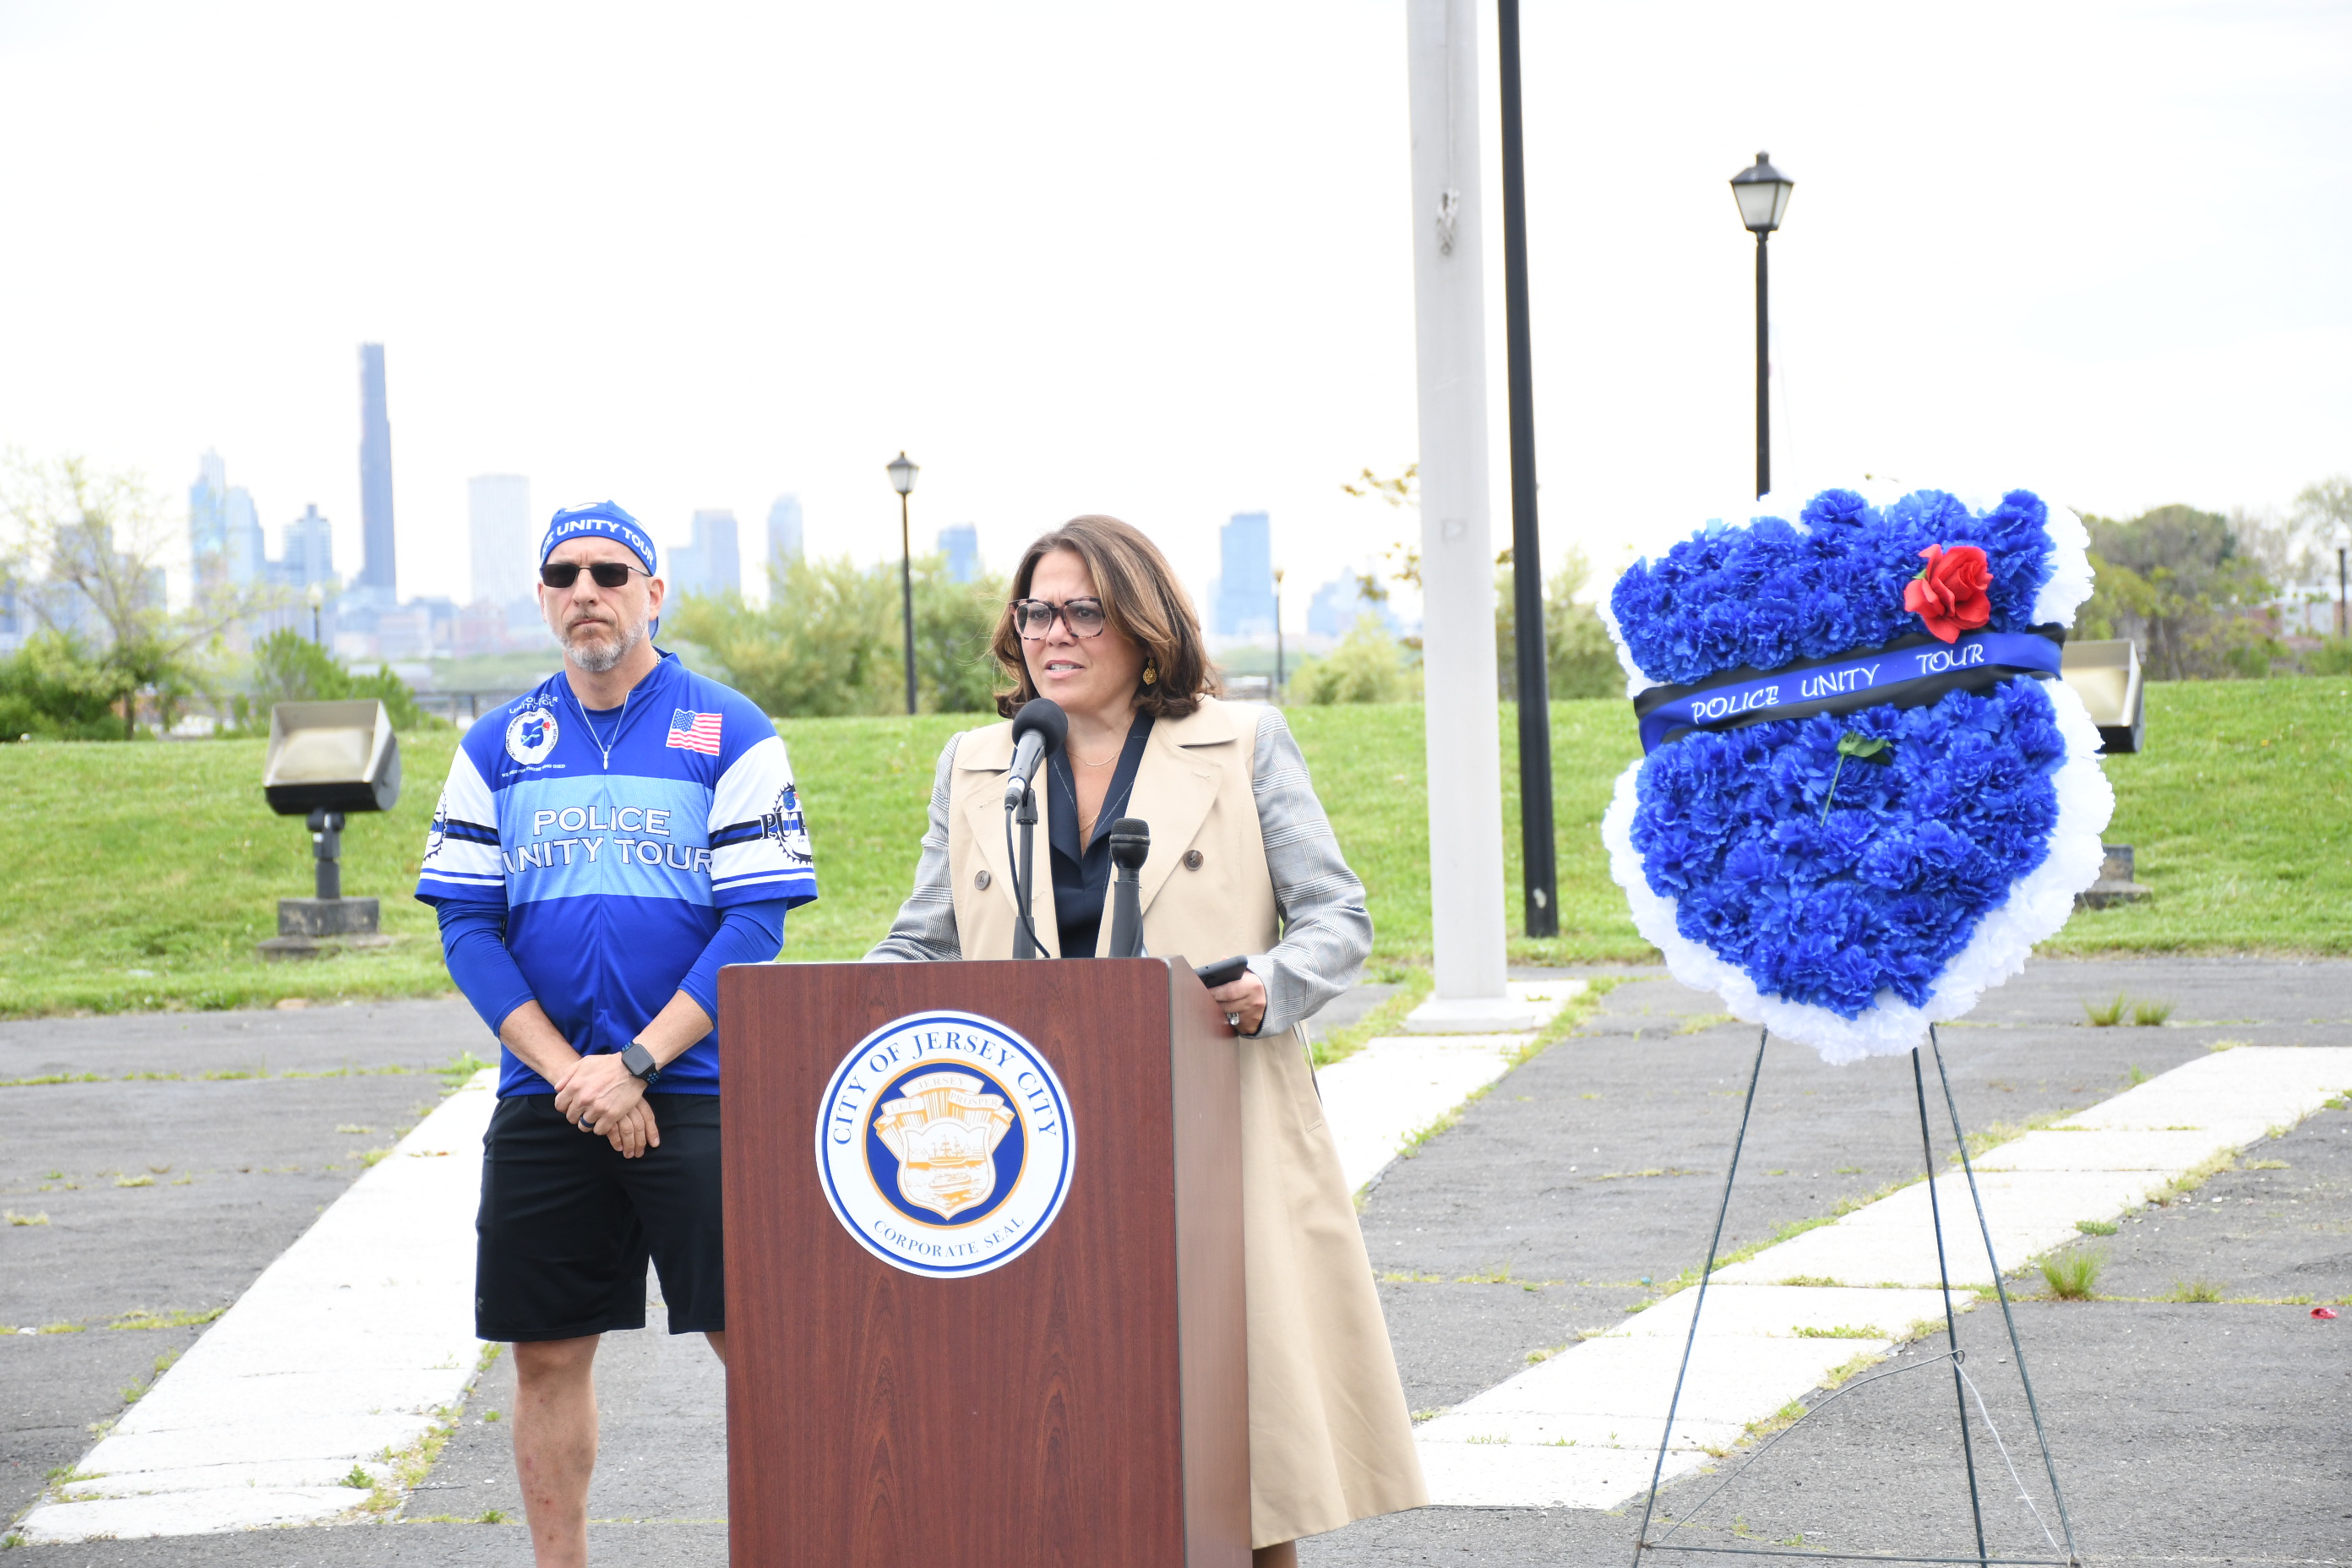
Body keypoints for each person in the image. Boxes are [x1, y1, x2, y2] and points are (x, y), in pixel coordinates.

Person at [868, 514, 1426, 1563]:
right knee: (1049, 1437)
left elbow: (1336, 917)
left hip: (1206, 1137)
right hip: (1026, 1155)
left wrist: (1273, 983)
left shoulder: (1242, 740)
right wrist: (822, 1030)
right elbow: (919, 944)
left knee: (1237, 1454)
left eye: (1083, 609)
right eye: (1037, 610)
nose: (1054, 632)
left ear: (1143, 623)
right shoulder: (982, 762)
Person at [415, 499, 818, 1568]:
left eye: (608, 570)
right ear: (543, 596)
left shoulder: (731, 727)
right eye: (562, 574)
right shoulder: (497, 744)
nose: (584, 591)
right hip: (549, 1096)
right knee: (545, 1358)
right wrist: (573, 1072)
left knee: (760, 1348)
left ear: (654, 590)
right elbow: (467, 925)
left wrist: (638, 1061)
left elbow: (755, 919)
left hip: (700, 1084)